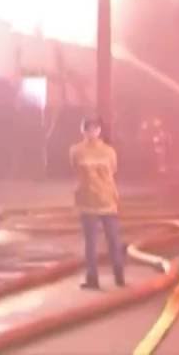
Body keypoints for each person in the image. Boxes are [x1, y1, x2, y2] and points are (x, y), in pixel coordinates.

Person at [70, 116, 125, 290]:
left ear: (99, 130)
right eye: (89, 129)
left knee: (110, 241)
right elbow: (113, 170)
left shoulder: (79, 151)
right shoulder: (104, 151)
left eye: (95, 128)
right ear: (83, 130)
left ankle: (115, 276)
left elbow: (75, 168)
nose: (92, 132)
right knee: (96, 242)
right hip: (95, 201)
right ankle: (106, 277)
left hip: (100, 200)